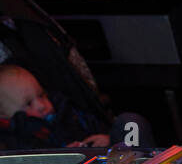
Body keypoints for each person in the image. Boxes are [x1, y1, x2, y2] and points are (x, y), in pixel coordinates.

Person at [0, 63, 154, 153]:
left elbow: (95, 124)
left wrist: (106, 138)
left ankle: (139, 161)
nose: (41, 105)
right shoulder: (19, 139)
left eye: (42, 95)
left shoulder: (65, 110)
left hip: (108, 156)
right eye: (28, 104)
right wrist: (63, 155)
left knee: (130, 122)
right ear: (6, 116)